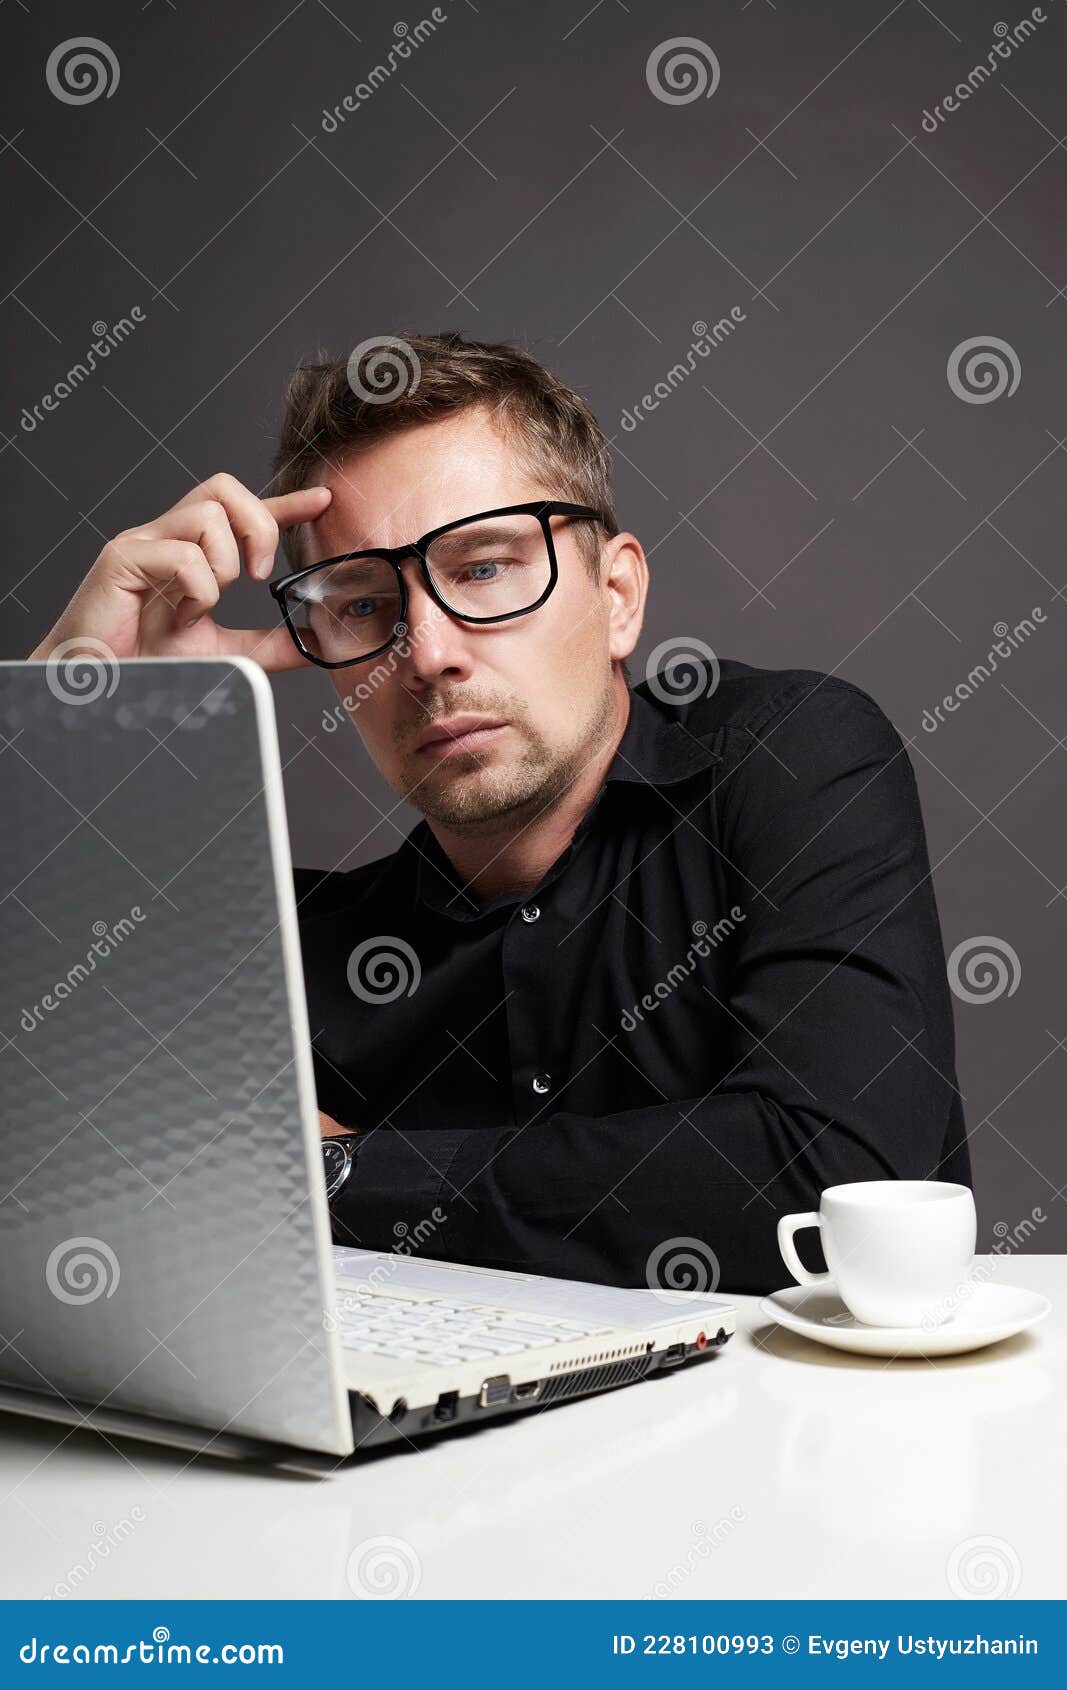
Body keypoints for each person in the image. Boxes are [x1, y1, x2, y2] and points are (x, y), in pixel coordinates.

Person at [28, 331, 970, 1293]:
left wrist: (325, 1172)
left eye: (482, 567)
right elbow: (51, 1163)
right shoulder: (303, 946)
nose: (426, 652)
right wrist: (80, 732)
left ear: (617, 595)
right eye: (361, 604)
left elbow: (842, 1185)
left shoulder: (793, 756)